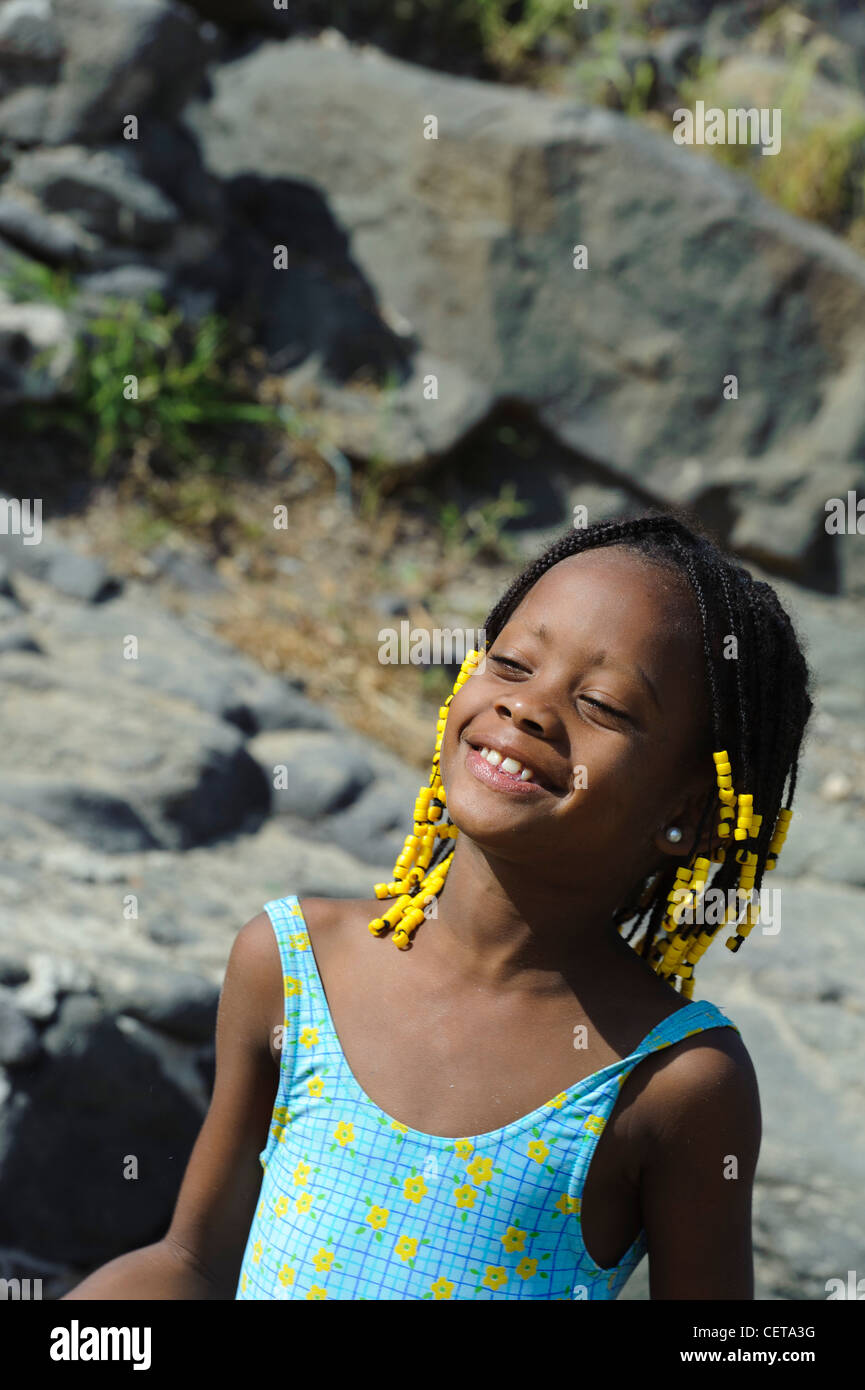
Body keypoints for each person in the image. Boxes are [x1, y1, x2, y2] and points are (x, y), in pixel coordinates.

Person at [60, 509, 812, 1300]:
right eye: (513, 664)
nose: (527, 708)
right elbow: (192, 1263)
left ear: (690, 814)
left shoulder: (672, 1080)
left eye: (603, 706)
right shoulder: (292, 964)